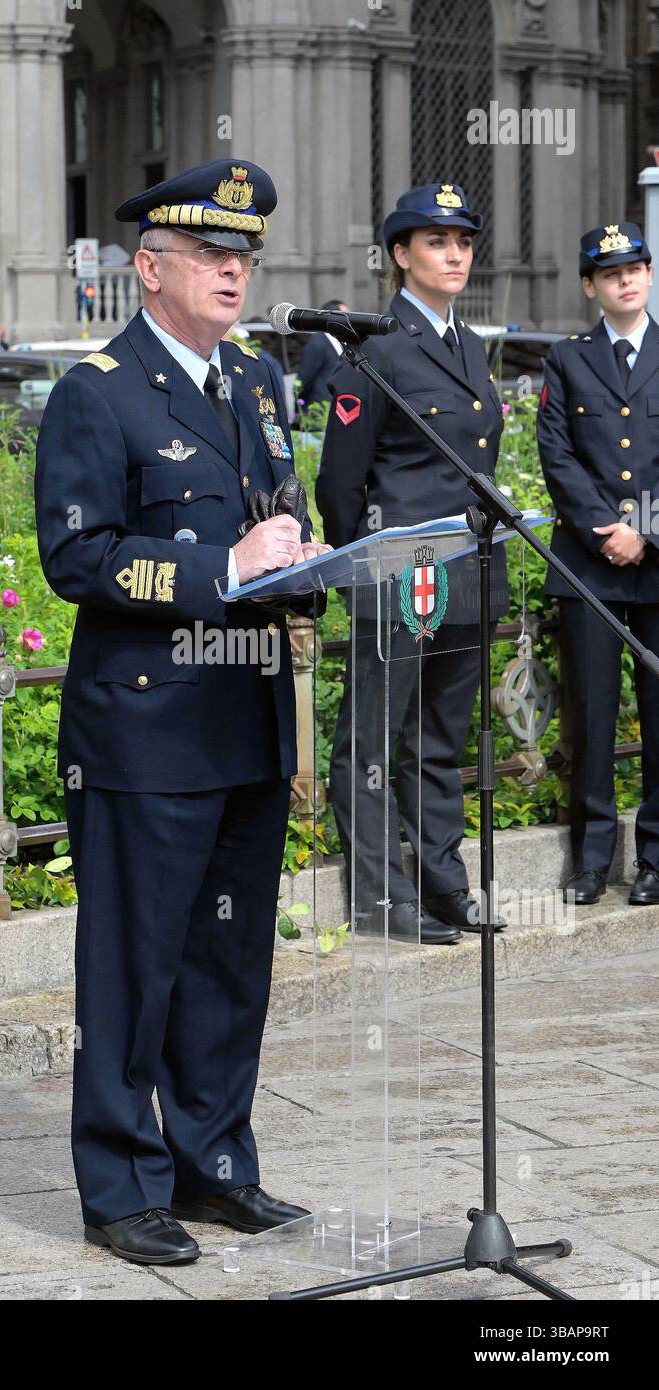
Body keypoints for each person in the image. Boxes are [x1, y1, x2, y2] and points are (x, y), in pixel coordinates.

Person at [35, 159, 329, 1266]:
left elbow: (277, 512)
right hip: (146, 730)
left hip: (245, 714)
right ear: (148, 269)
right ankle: (119, 1186)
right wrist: (221, 565)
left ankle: (213, 1165)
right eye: (212, 256)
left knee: (226, 961)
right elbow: (78, 557)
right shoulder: (96, 392)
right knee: (134, 965)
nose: (233, 272)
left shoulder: (253, 383)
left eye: (242, 256)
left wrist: (307, 557)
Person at [316, 182, 509, 945]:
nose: (454, 254)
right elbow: (340, 484)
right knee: (369, 742)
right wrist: (367, 564)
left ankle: (443, 888)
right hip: (399, 575)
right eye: (436, 242)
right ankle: (383, 899)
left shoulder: (468, 344)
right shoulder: (376, 349)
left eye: (463, 242)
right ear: (400, 255)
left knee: (438, 742)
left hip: (465, 576)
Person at [537, 221, 659, 907]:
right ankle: (591, 860)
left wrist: (644, 532)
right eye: (611, 273)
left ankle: (657, 860)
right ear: (591, 286)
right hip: (589, 566)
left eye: (636, 267)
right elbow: (557, 455)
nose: (626, 279)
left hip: (657, 563)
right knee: (593, 715)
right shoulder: (566, 359)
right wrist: (607, 534)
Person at [297, 298, 349, 407]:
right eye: (345, 316)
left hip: (337, 405)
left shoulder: (341, 341)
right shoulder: (317, 342)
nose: (349, 321)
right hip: (319, 409)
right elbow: (305, 377)